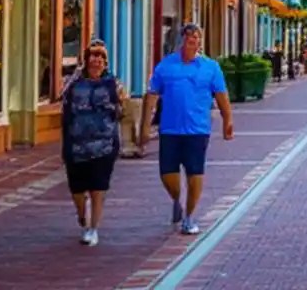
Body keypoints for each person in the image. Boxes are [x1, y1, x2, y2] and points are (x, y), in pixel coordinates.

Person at [139, 23, 235, 235]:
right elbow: (152, 96)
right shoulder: (165, 66)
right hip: (170, 130)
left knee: (195, 174)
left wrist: (227, 120)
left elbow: (221, 96)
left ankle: (189, 217)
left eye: (197, 38)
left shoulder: (210, 68)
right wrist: (144, 128)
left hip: (197, 130)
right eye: (190, 38)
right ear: (182, 40)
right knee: (167, 175)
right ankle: (177, 198)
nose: (194, 41)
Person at [61, 39, 126, 246]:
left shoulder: (114, 84)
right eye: (93, 56)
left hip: (104, 145)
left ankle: (93, 228)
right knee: (78, 191)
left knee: (98, 187)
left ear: (105, 63)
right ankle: (82, 215)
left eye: (101, 57)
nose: (97, 60)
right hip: (76, 145)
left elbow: (122, 111)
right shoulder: (73, 84)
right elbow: (63, 110)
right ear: (86, 60)